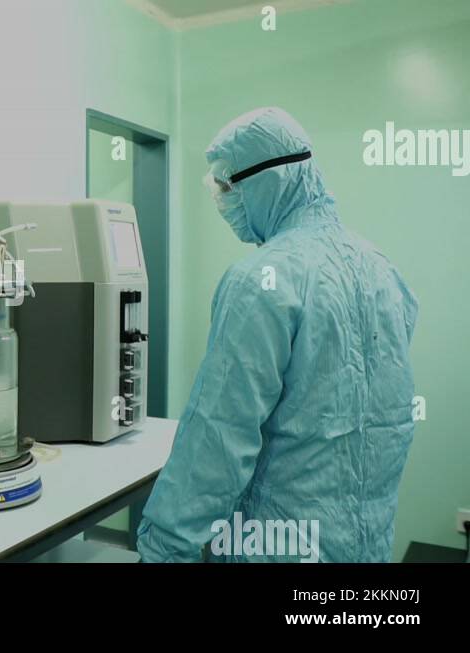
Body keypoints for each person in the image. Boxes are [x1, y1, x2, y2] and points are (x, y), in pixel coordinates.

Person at [136, 107, 418, 562]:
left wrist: (163, 551)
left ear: (268, 181)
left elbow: (217, 440)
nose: (223, 201)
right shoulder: (383, 268)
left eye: (227, 187)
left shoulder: (259, 280)